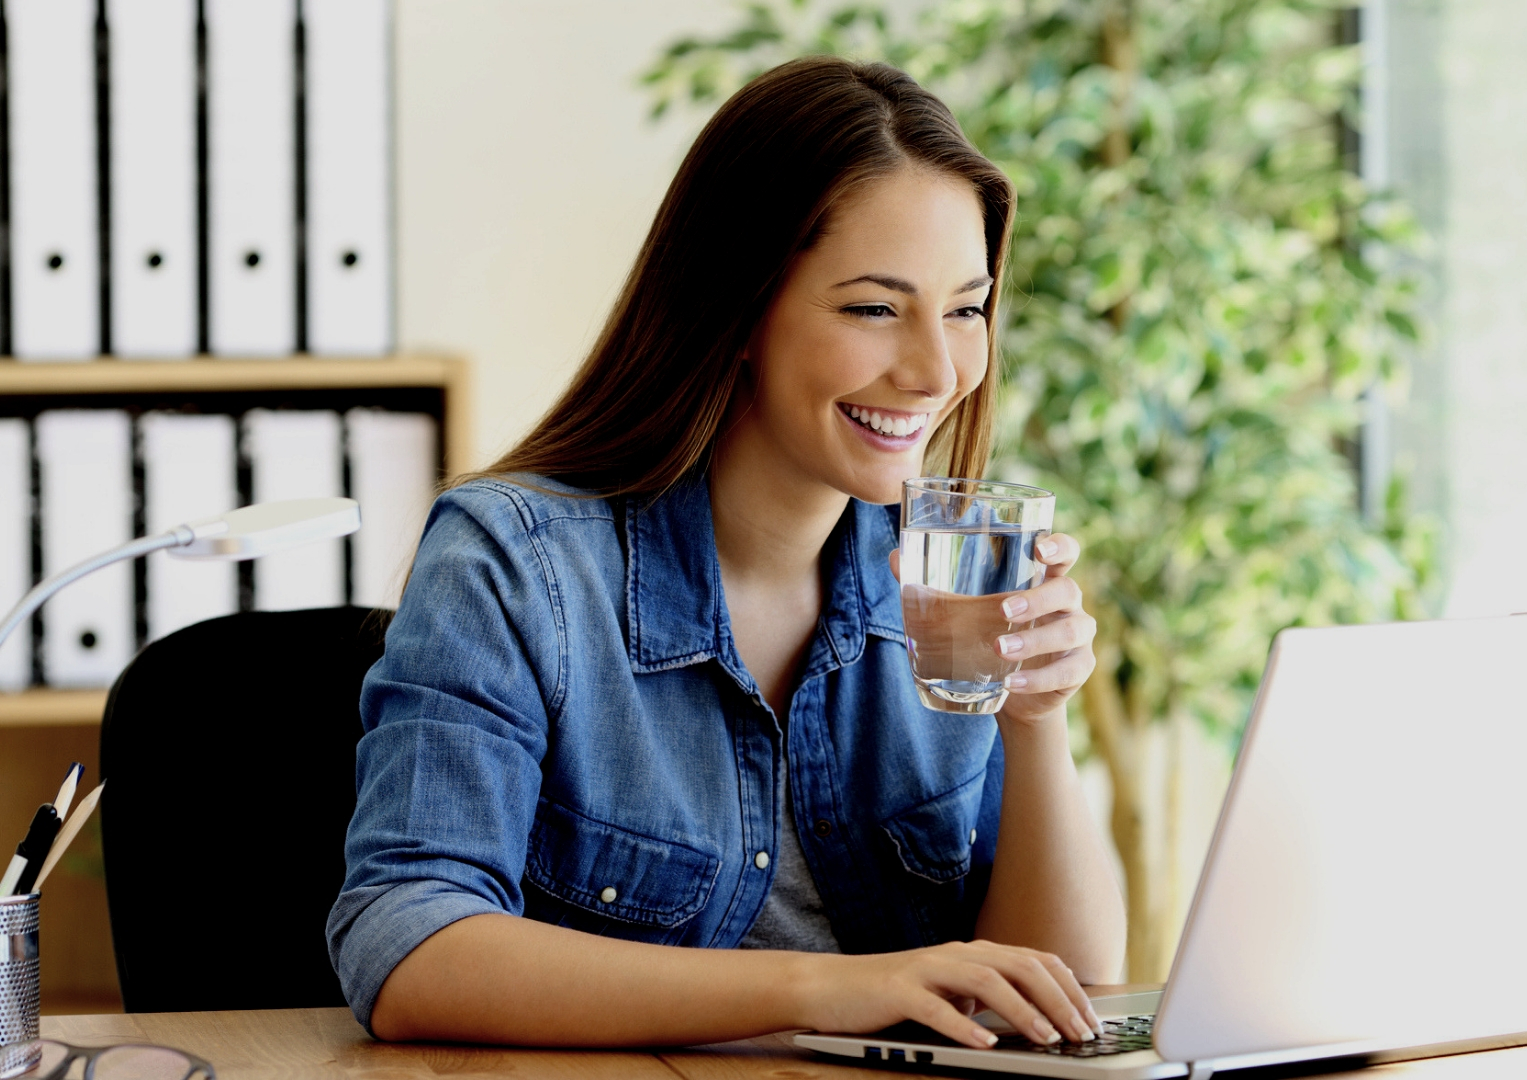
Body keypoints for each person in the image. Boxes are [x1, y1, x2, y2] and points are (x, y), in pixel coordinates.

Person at [326, 56, 1126, 1050]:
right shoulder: (517, 565)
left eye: (966, 309)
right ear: (738, 310)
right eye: (874, 308)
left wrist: (1037, 723)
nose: (937, 371)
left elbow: (1068, 998)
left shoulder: (945, 579)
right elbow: (408, 945)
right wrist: (819, 989)